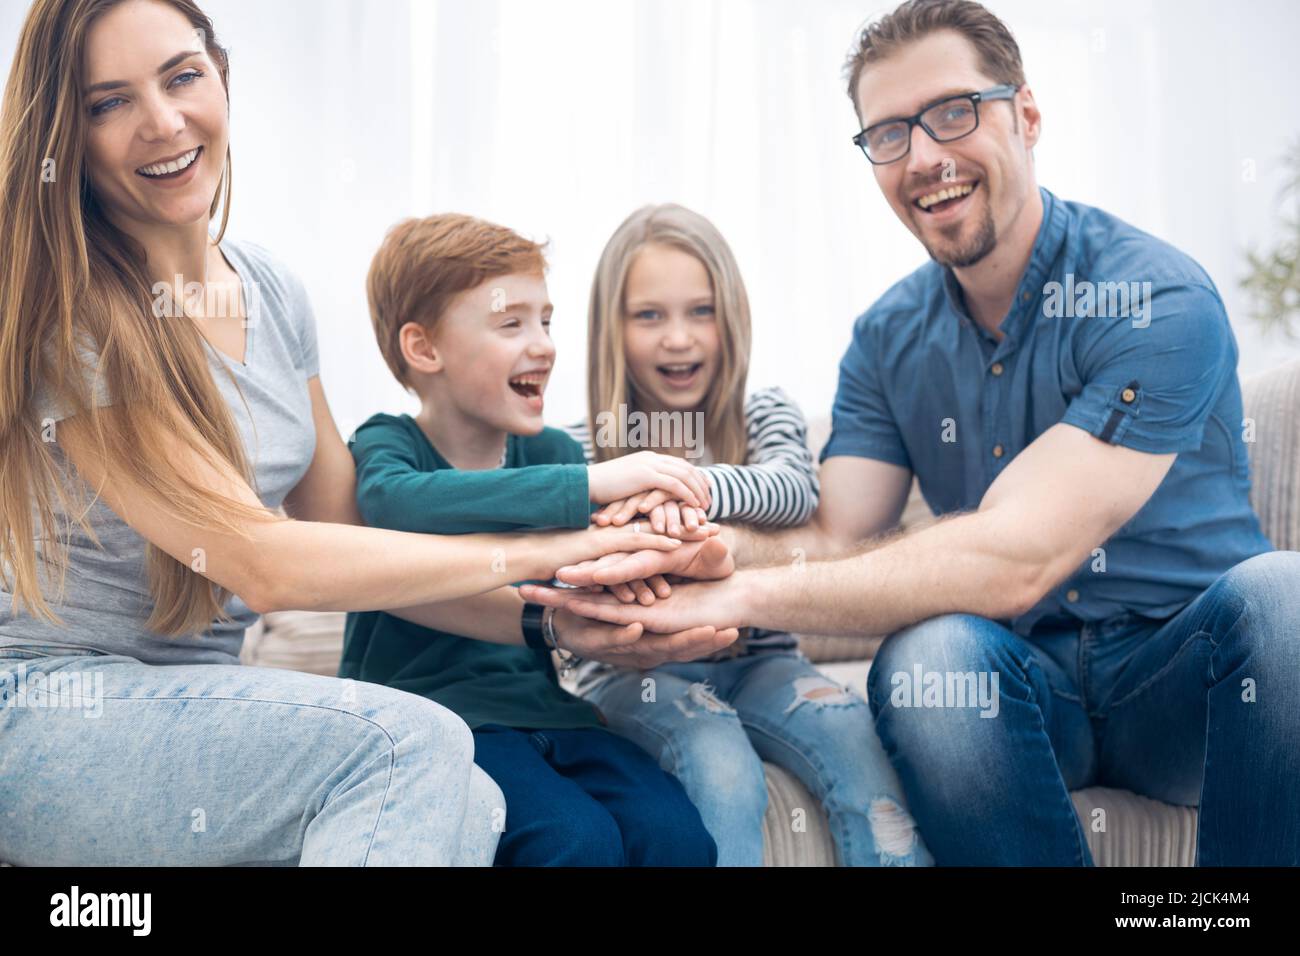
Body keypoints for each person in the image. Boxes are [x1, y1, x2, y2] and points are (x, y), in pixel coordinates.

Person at [522, 0, 1300, 866]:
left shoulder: (1155, 297)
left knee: (1287, 598)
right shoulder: (888, 336)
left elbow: (1019, 554)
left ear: (1027, 115)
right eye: (889, 134)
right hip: (1029, 692)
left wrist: (736, 594)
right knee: (934, 657)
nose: (925, 158)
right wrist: (703, 550)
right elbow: (831, 537)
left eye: (954, 112)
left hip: (1185, 690)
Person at [0, 0, 709, 866]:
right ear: (66, 136)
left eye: (182, 75)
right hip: (46, 707)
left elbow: (362, 541)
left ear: (221, 74)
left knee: (481, 802)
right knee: (410, 746)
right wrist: (548, 544)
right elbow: (263, 557)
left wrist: (554, 624)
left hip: (199, 697)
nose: (162, 121)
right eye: (109, 102)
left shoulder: (270, 291)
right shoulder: (70, 324)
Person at [340, 212, 726, 866]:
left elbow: (598, 559)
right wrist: (584, 485)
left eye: (545, 320)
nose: (544, 344)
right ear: (424, 348)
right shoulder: (389, 445)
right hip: (440, 721)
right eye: (511, 323)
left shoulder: (545, 452)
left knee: (676, 835)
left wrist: (667, 544)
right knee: (575, 840)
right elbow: (392, 502)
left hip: (554, 714)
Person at [562, 203, 932, 866]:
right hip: (634, 675)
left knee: (856, 741)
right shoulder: (580, 450)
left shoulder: (766, 413)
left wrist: (690, 490)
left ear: (730, 317)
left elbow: (795, 489)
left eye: (700, 311)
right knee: (722, 766)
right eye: (650, 315)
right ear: (611, 328)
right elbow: (575, 559)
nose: (679, 337)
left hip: (765, 663)